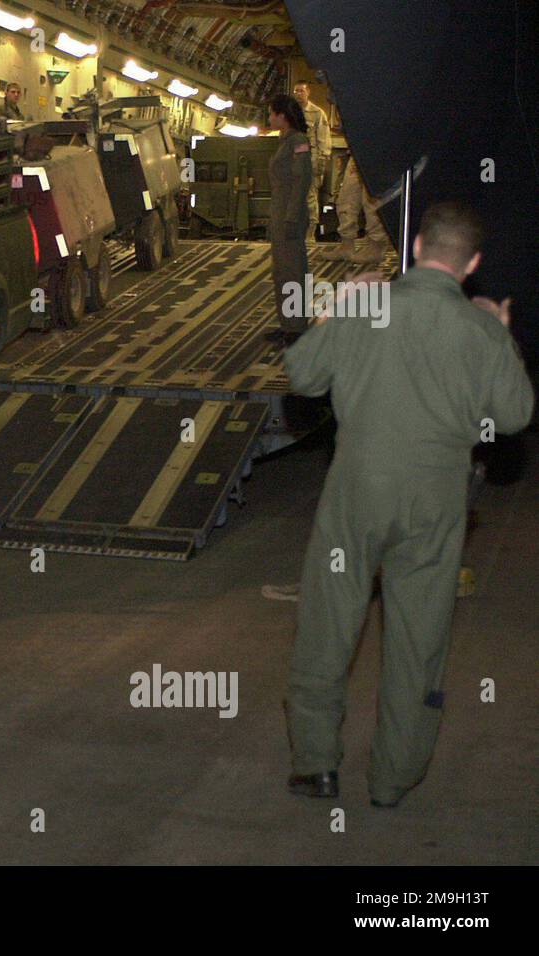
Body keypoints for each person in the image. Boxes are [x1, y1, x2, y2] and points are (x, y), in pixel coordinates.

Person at [281, 201, 534, 808]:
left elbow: (301, 376)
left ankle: (317, 763)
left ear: (416, 246)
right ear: (471, 264)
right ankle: (392, 780)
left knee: (328, 625)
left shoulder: (368, 305)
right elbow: (516, 414)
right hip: (436, 501)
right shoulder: (479, 329)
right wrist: (501, 335)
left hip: (356, 492)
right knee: (418, 641)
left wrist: (340, 306)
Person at [265, 93, 313, 344]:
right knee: (281, 272)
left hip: (289, 217)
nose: (270, 118)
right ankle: (287, 323)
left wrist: (291, 218)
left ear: (282, 116)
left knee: (293, 271)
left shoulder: (299, 141)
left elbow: (301, 180)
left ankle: (297, 327)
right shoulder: (285, 141)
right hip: (280, 214)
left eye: (272, 113)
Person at [317, 149, 390, 264]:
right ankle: (347, 244)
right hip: (358, 151)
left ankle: (376, 247)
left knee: (371, 201)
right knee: (346, 199)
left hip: (377, 152)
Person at [293, 82, 331, 239]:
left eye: (301, 91)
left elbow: (323, 138)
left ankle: (310, 232)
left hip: (310, 158)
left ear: (308, 92)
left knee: (309, 196)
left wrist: (321, 159)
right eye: (296, 91)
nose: (298, 94)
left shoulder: (317, 113)